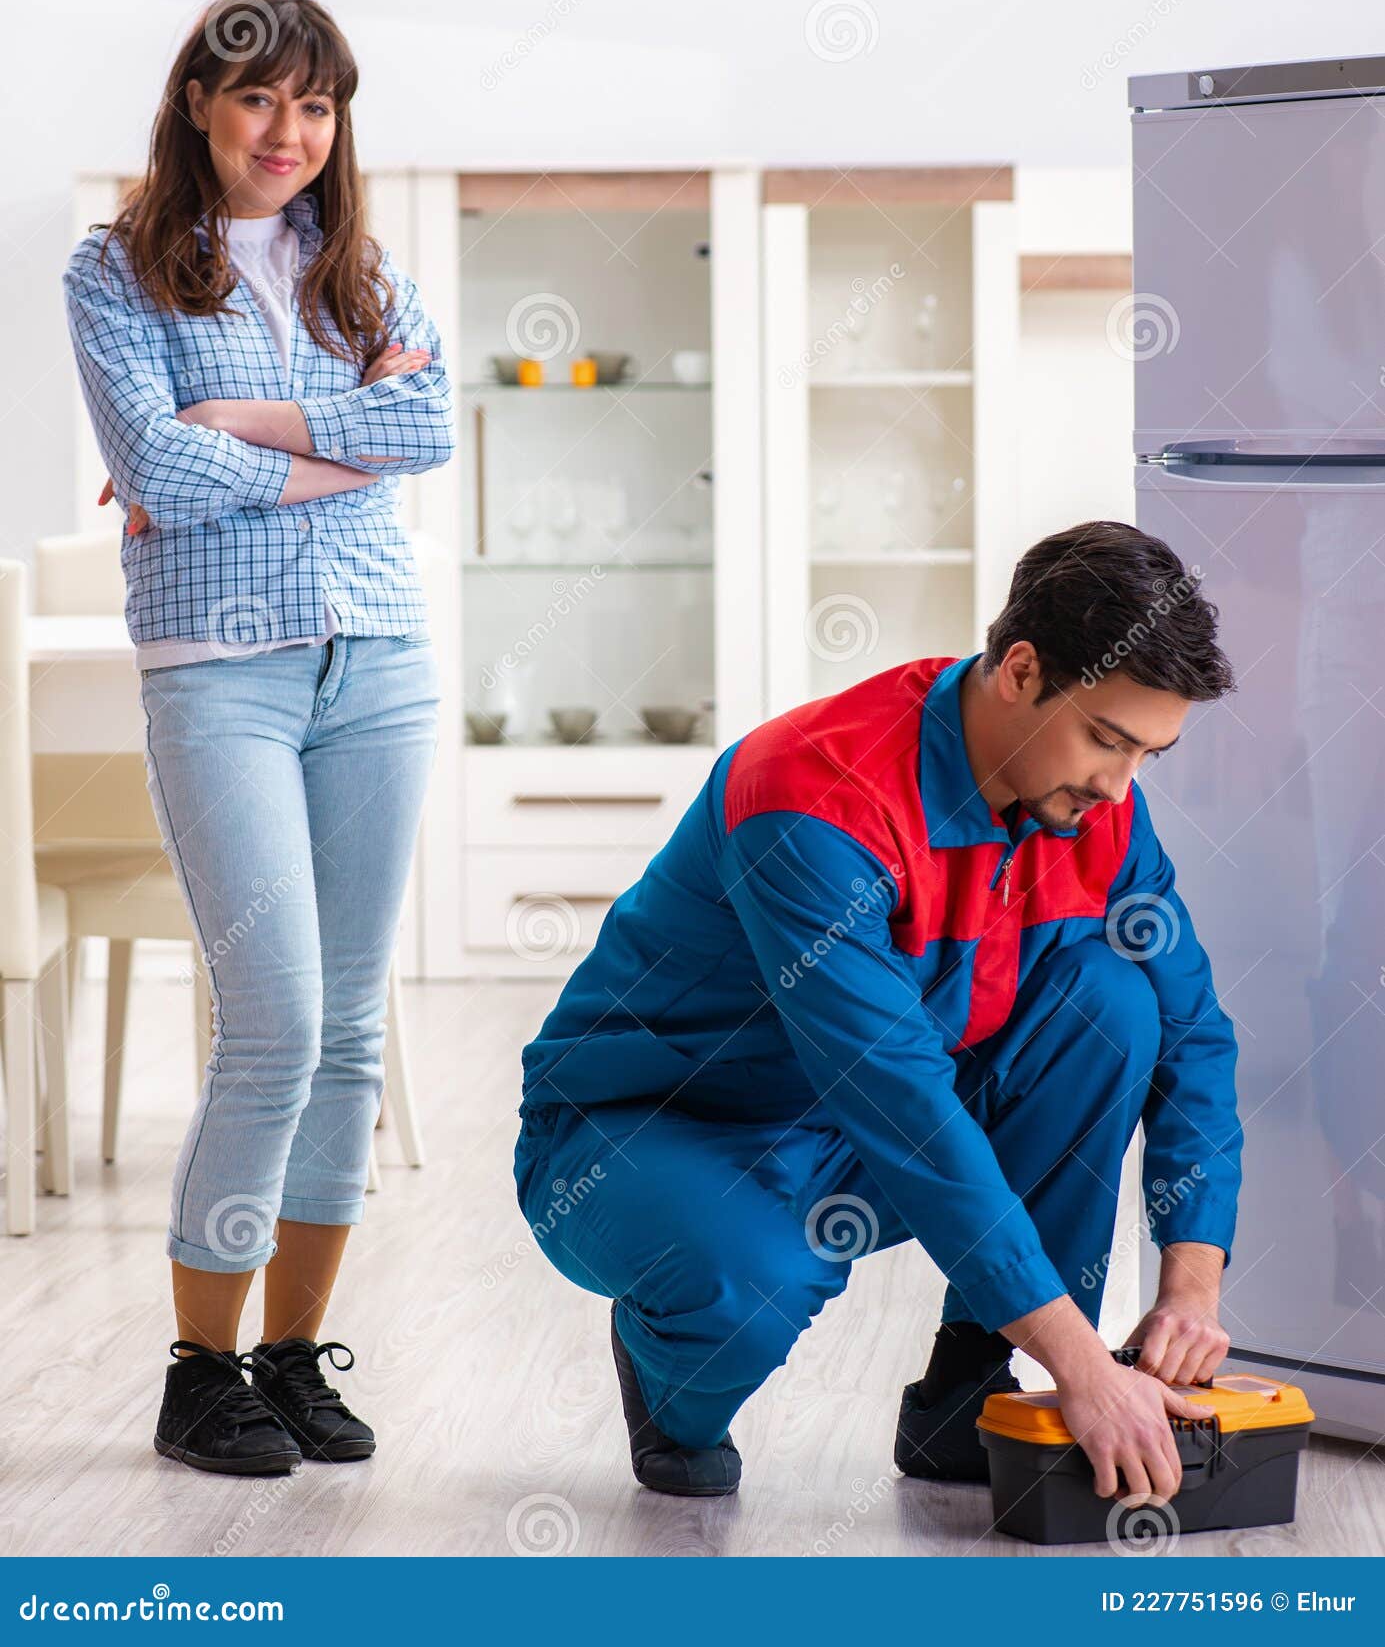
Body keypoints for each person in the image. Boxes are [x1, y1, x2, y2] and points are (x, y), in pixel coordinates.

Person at [515, 519, 1243, 1506]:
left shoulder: (1092, 804)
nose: (1117, 785)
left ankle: (969, 1388)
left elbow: (1190, 1032)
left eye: (1145, 755)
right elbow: (898, 1102)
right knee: (753, 1280)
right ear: (1020, 670)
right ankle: (667, 1364)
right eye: (1105, 739)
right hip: (653, 1129)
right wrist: (1084, 1364)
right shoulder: (811, 797)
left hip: (872, 1119)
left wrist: (1189, 1292)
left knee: (1110, 1002)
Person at [61, 0, 453, 1476]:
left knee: (347, 1032)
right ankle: (199, 1368)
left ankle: (290, 1356)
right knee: (274, 1021)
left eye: (316, 106)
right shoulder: (114, 270)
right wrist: (321, 437)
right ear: (198, 111)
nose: (288, 134)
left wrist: (237, 430)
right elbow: (146, 450)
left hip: (381, 662)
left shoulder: (356, 266)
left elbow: (430, 431)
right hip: (218, 669)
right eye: (256, 102)